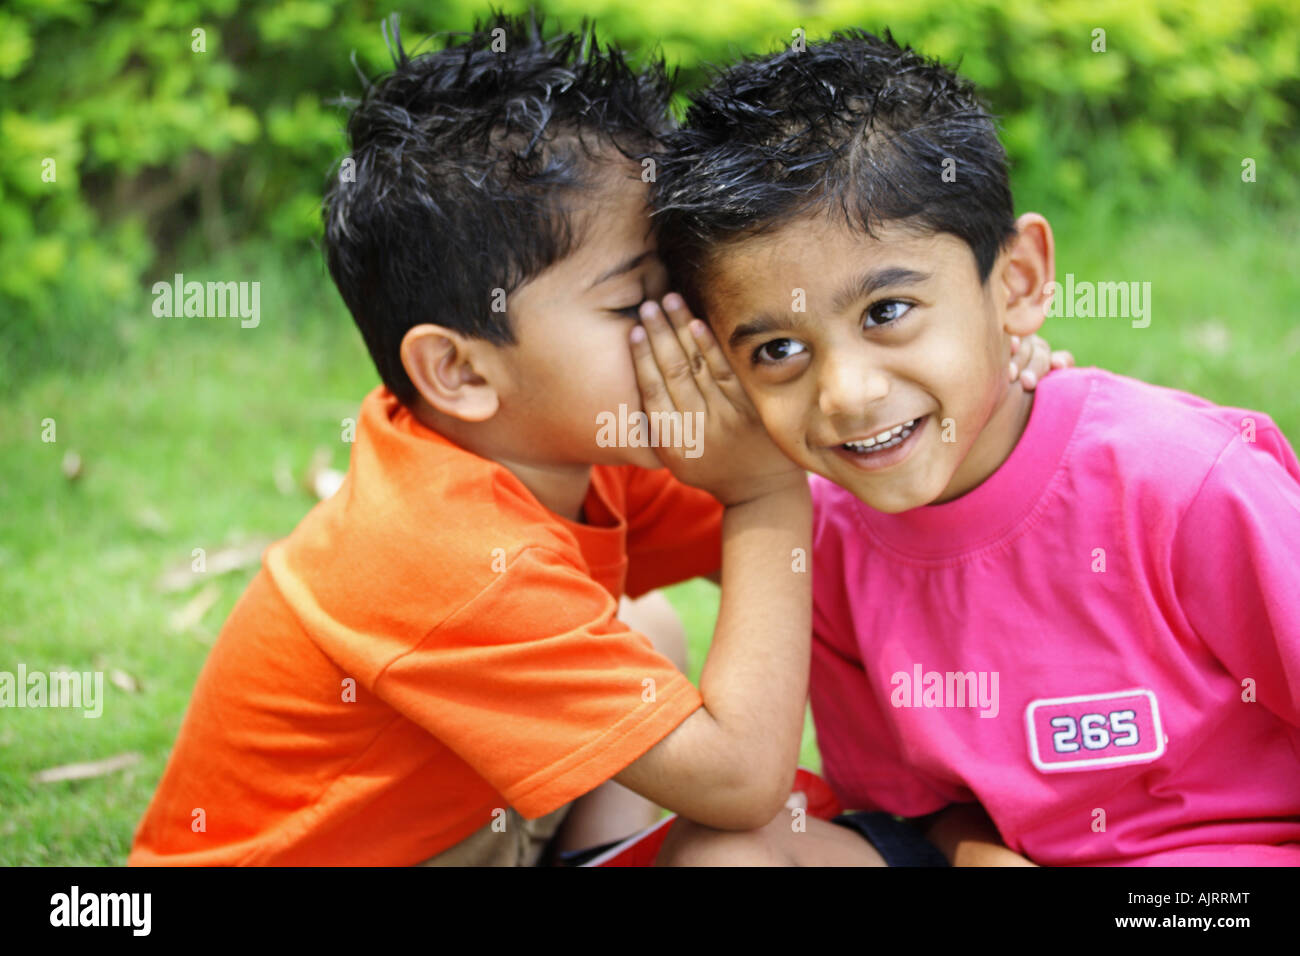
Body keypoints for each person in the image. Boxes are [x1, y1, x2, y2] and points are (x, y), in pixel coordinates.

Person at [648, 28, 1300, 866]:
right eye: (777, 350)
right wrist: (975, 851)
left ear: (1017, 282)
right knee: (726, 853)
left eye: (886, 312)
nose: (846, 393)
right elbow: (911, 806)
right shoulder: (829, 539)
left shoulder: (1188, 482)